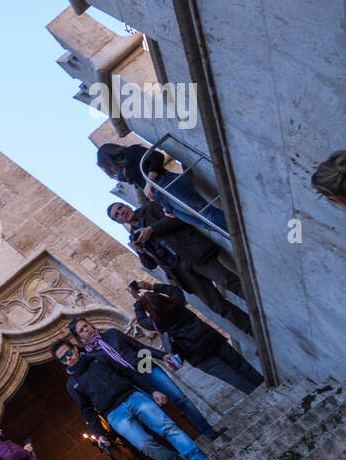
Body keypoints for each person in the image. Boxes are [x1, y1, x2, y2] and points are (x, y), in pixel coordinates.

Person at [54, 338, 219, 460]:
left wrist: (153, 390)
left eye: (68, 352)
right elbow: (87, 411)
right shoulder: (72, 385)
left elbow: (129, 374)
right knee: (145, 445)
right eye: (63, 359)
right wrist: (99, 434)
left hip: (133, 397)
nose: (68, 358)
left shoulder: (99, 357)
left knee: (168, 428)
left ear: (75, 348)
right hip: (114, 415)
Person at [67, 315, 225, 441]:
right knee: (160, 414)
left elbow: (139, 347)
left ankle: (209, 432)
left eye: (86, 325)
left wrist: (162, 355)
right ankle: (187, 441)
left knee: (180, 399)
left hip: (145, 368)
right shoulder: (90, 357)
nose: (86, 330)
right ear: (79, 339)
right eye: (81, 330)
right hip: (131, 384)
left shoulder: (112, 334)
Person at [107, 201, 252, 335]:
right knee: (217, 306)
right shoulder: (134, 238)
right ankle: (252, 330)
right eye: (117, 215)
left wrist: (151, 229)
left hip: (193, 255)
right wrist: (140, 251)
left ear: (126, 206)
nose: (121, 213)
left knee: (229, 281)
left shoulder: (150, 209)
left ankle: (265, 308)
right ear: (118, 221)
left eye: (120, 208)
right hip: (181, 273)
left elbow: (176, 218)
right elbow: (151, 265)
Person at [132, 283, 263, 394]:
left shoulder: (155, 323)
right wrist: (153, 287)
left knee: (231, 376)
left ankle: (259, 395)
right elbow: (174, 290)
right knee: (242, 365)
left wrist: (138, 302)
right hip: (212, 339)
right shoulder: (177, 303)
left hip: (197, 355)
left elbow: (141, 319)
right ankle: (265, 386)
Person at [96, 142, 227, 234]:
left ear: (109, 160)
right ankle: (237, 233)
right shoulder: (126, 172)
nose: (110, 170)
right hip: (164, 198)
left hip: (168, 185)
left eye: (107, 167)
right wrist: (165, 207)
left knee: (208, 215)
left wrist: (149, 181)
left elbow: (156, 156)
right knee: (205, 223)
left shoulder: (131, 152)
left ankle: (243, 226)